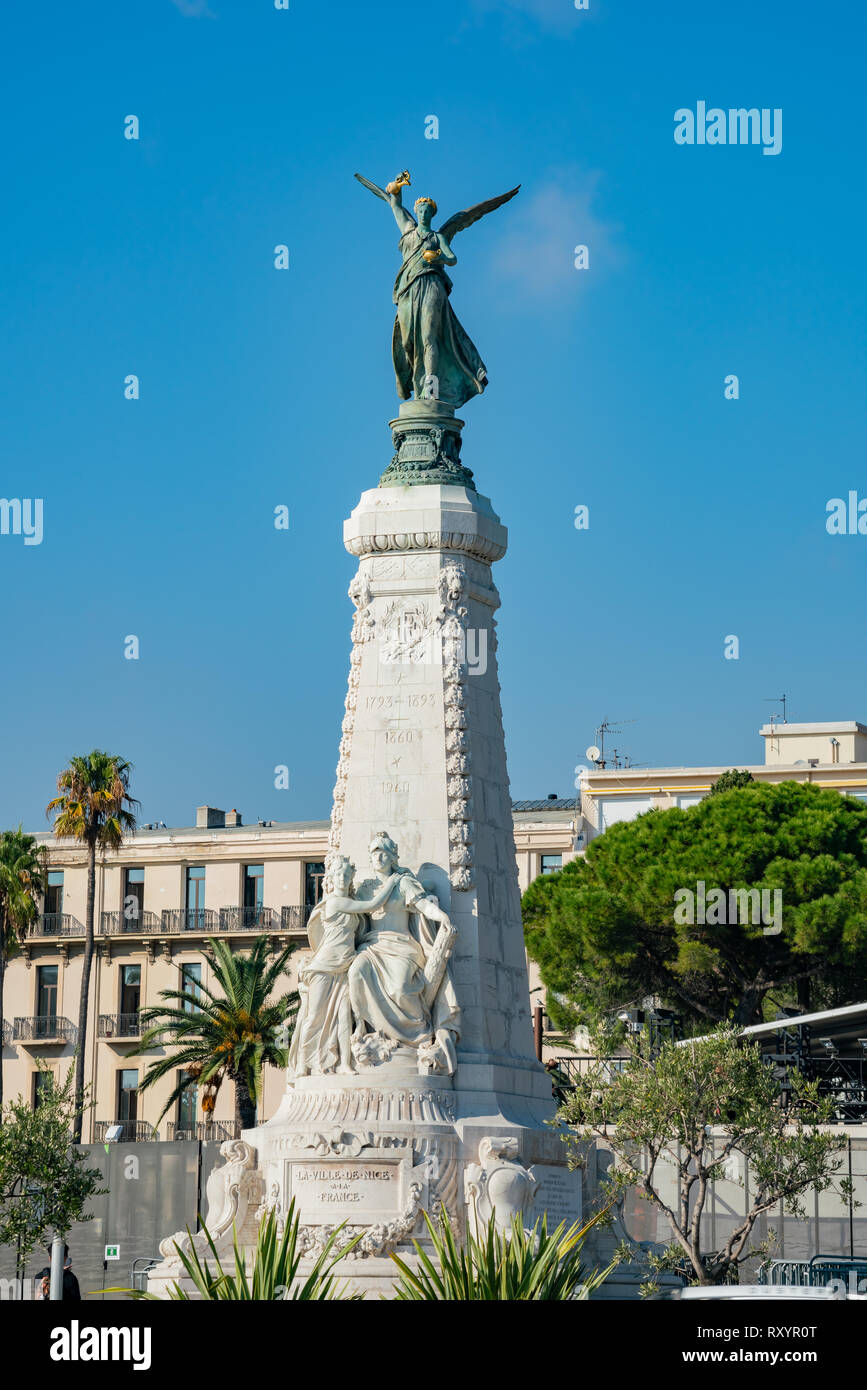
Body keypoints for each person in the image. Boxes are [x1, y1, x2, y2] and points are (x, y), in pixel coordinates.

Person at [287, 855, 398, 1077]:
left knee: (344, 1016)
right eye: (338, 874)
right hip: (325, 966)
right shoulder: (334, 902)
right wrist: (391, 883)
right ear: (331, 877)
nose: (342, 878)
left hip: (346, 964)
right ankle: (302, 1062)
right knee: (315, 1016)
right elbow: (372, 905)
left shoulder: (349, 902)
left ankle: (345, 1063)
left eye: (346, 875)